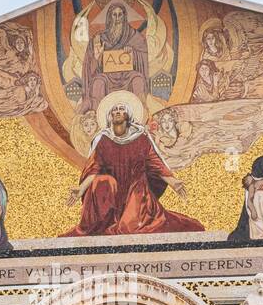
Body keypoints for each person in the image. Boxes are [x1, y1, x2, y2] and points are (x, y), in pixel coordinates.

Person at [61, 98, 203, 237]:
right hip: (112, 193)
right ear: (110, 117)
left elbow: (156, 164)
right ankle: (104, 222)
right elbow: (94, 168)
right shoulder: (104, 140)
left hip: (136, 190)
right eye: (114, 110)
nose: (117, 111)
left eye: (121, 109)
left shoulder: (140, 138)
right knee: (102, 181)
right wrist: (81, 189)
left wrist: (173, 182)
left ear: (128, 115)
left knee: (130, 227)